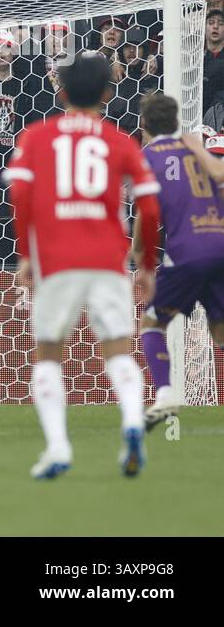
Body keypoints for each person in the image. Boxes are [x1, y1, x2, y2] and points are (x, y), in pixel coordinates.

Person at [4, 52, 162, 480]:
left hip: (56, 261)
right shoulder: (119, 141)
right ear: (108, 94)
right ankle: (131, 421)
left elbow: (19, 196)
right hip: (108, 259)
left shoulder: (37, 136)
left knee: (49, 353)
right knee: (116, 349)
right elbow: (148, 204)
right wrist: (146, 263)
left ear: (61, 91)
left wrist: (25, 255)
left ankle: (58, 446)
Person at [134, 93, 224, 432]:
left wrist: (140, 256)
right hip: (219, 244)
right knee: (220, 331)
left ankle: (167, 393)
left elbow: (148, 212)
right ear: (176, 122)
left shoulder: (148, 158)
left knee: (153, 322)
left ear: (144, 126)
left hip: (187, 250)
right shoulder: (197, 149)